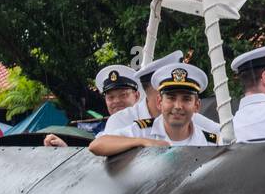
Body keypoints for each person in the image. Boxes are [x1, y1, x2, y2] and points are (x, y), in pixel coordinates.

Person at [89, 63, 221, 156]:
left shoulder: (210, 142)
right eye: (171, 98)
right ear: (159, 102)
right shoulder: (142, 130)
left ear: (197, 106)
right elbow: (97, 145)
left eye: (186, 99)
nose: (178, 106)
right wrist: (144, 142)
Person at [44, 63, 139, 147]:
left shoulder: (149, 128)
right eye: (111, 97)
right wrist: (63, 147)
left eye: (123, 95)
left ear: (137, 96)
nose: (116, 101)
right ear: (105, 100)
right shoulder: (104, 134)